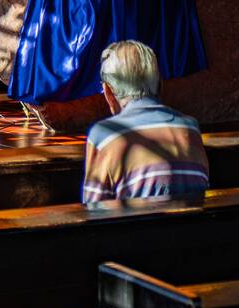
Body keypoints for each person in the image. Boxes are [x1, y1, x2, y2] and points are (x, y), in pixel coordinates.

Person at [82, 40, 209, 205]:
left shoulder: (103, 135)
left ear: (108, 92)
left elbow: (93, 208)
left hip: (140, 229)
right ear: (159, 84)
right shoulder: (190, 127)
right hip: (199, 228)